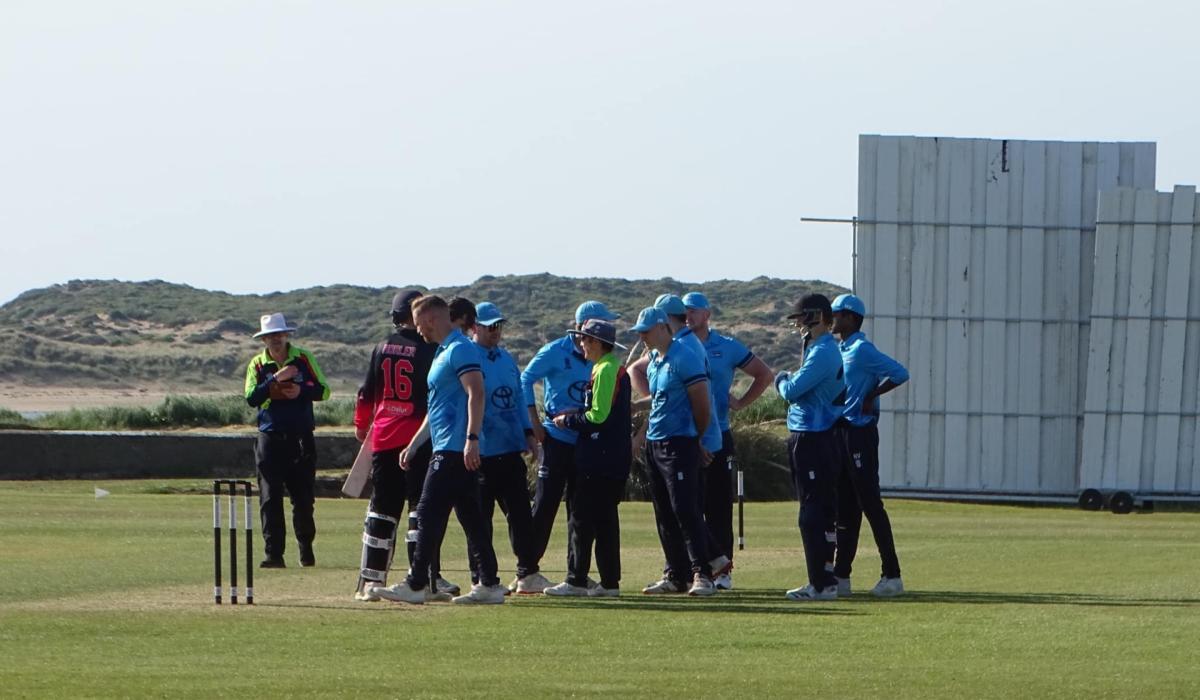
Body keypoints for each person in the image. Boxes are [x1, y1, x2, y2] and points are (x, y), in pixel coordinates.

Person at [371, 295, 506, 605]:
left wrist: (471, 439)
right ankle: (489, 583)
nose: (419, 331)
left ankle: (416, 583)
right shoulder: (443, 352)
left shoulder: (460, 349)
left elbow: (477, 393)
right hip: (445, 444)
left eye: (419, 324)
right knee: (472, 517)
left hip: (454, 449)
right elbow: (437, 407)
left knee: (428, 512)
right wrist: (415, 444)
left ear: (431, 319)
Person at [350, 290, 458, 602]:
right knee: (419, 512)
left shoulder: (381, 347)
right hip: (419, 440)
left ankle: (371, 583)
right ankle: (422, 579)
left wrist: (361, 426)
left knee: (382, 511)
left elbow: (365, 393)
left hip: (384, 437)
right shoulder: (430, 348)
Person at [519, 300, 622, 593]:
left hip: (587, 442)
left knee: (581, 510)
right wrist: (534, 424)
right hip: (557, 438)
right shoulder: (555, 351)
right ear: (586, 326)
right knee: (545, 504)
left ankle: (576, 574)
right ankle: (527, 571)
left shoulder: (602, 357)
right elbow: (525, 380)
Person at [628, 294, 730, 581]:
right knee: (669, 510)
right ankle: (679, 572)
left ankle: (705, 569)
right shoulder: (661, 357)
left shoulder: (685, 350)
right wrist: (638, 408)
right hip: (661, 440)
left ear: (664, 324)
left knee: (685, 507)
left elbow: (700, 400)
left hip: (682, 441)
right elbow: (664, 397)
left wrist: (698, 440)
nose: (642, 338)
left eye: (646, 331)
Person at [681, 291, 774, 589]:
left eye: (694, 311)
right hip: (684, 436)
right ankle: (693, 569)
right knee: (686, 505)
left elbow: (763, 374)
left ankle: (723, 572)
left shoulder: (727, 346)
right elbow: (638, 370)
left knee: (719, 506)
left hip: (719, 435)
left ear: (707, 315)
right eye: (685, 311)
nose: (688, 316)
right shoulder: (676, 346)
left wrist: (741, 403)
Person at [544, 319, 632, 597]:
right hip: (612, 457)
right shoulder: (609, 368)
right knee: (605, 520)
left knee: (581, 518)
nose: (581, 344)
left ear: (596, 342)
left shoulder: (606, 369)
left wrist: (566, 420)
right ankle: (609, 582)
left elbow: (597, 417)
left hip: (599, 458)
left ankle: (576, 579)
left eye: (585, 340)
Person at [830, 293, 909, 598]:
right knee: (846, 508)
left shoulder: (862, 349)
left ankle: (892, 575)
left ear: (850, 317)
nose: (832, 319)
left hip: (860, 434)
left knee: (870, 504)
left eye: (836, 314)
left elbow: (900, 373)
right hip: (842, 432)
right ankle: (841, 576)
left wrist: (870, 396)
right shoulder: (841, 348)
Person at [469, 301, 547, 593]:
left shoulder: (505, 359)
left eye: (498, 326)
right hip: (481, 452)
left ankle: (527, 573)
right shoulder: (467, 356)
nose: (495, 332)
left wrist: (528, 434)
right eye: (489, 326)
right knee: (480, 519)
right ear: (475, 327)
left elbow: (515, 402)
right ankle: (480, 577)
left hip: (508, 449)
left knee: (520, 515)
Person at [243, 312, 331, 568]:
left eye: (279, 334)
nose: (275, 340)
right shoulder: (257, 365)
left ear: (286, 335)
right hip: (270, 438)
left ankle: (306, 549)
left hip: (301, 437)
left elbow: (324, 390)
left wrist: (301, 390)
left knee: (303, 498)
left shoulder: (304, 358)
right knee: (269, 497)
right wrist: (276, 379)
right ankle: (274, 554)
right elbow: (251, 398)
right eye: (270, 336)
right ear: (264, 340)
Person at [774, 293, 845, 601]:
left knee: (811, 513)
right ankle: (824, 579)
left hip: (812, 436)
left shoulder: (823, 352)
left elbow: (791, 390)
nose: (799, 324)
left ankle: (819, 582)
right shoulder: (819, 348)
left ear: (816, 317)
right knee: (821, 511)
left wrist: (780, 378)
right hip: (817, 436)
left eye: (802, 318)